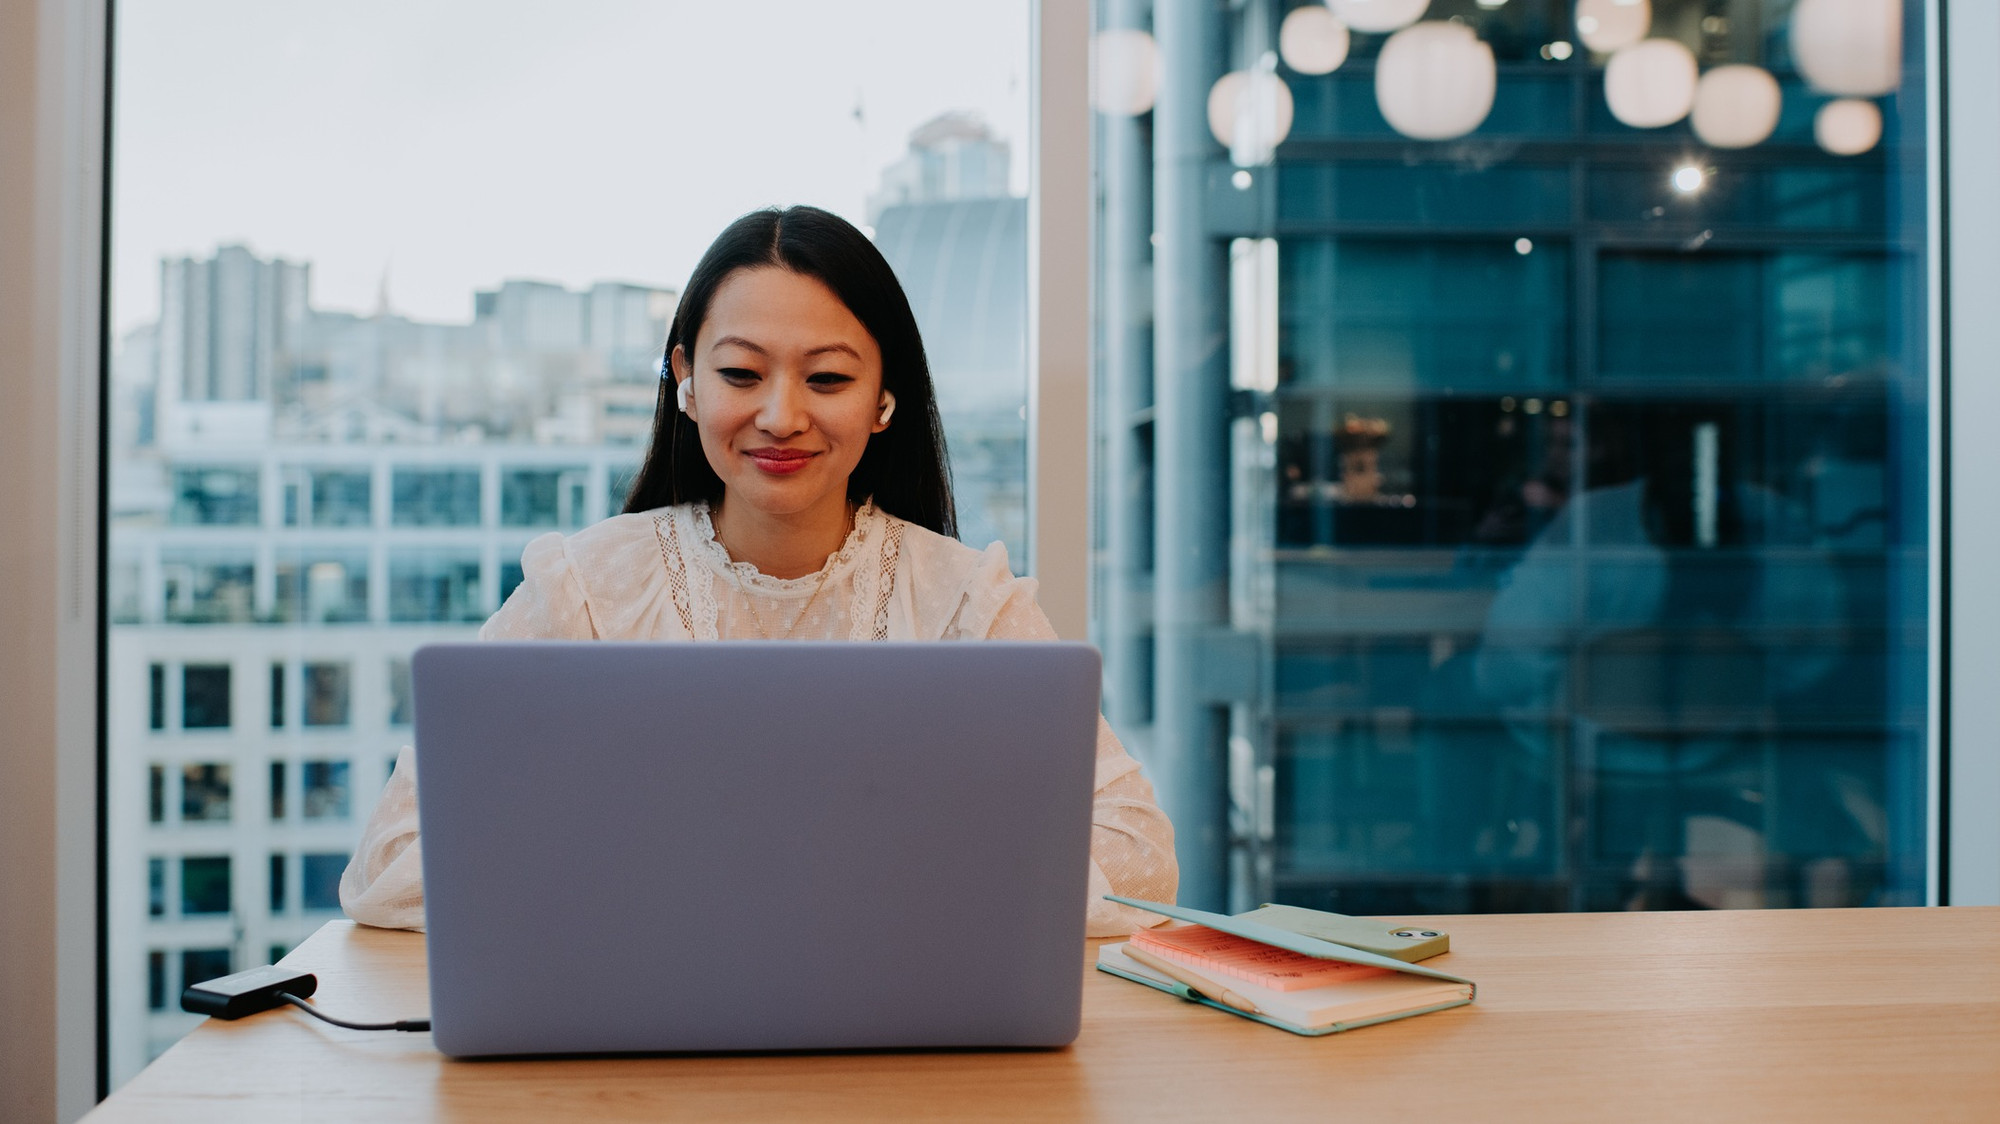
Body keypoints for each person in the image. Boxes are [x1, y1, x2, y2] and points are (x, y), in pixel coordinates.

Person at [339, 205, 1178, 936]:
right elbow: (394, 860)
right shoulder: (587, 591)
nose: (782, 416)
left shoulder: (968, 602)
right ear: (685, 381)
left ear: (885, 397)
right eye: (741, 373)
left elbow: (1138, 853)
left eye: (828, 378)